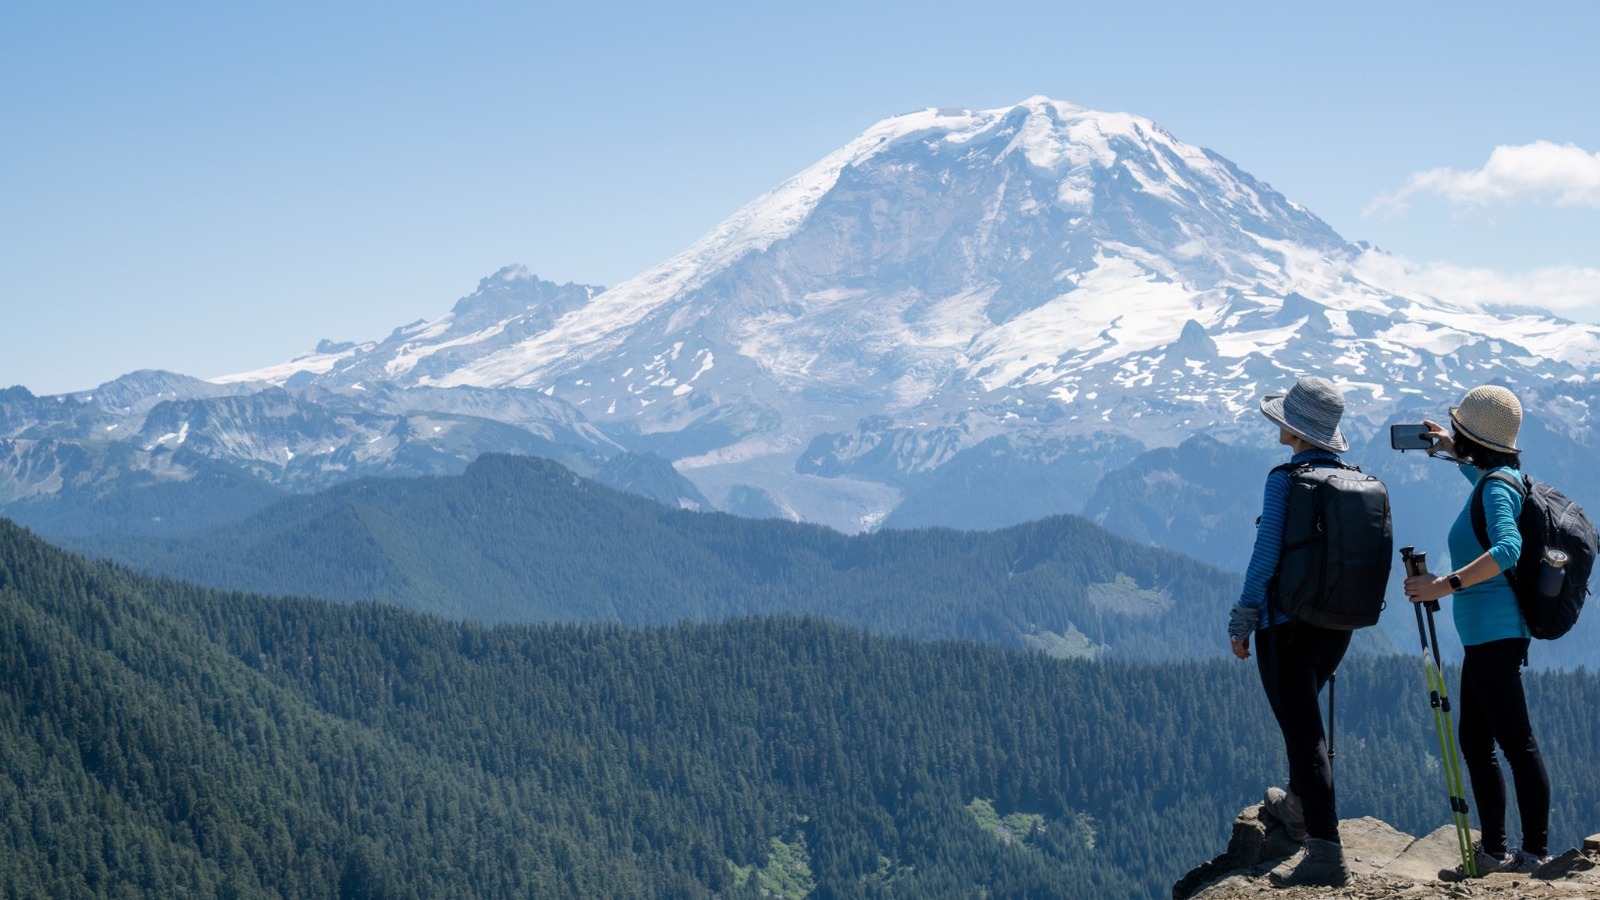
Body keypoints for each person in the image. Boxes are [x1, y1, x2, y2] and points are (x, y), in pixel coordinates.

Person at [1402, 385, 1551, 878]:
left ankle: (1531, 855)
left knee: (1514, 743)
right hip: (1486, 636)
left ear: (1474, 438)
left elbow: (1507, 547)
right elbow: (1485, 477)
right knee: (1476, 741)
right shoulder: (1496, 477)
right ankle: (1496, 851)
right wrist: (1450, 450)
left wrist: (1444, 585)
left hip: (1496, 634)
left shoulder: (1495, 488)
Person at [1227, 376, 1355, 889]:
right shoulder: (1348, 479)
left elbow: (1265, 557)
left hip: (1285, 627)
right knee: (1303, 721)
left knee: (1305, 736)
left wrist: (1244, 617)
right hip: (1336, 624)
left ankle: (1323, 848)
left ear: (1294, 428)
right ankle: (1299, 802)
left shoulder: (1284, 480)